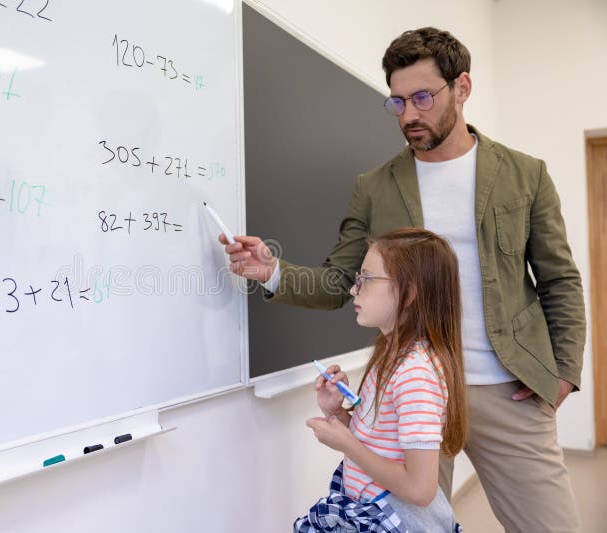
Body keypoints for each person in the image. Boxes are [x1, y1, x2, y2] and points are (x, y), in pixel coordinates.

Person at [222, 27, 585, 532]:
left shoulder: (526, 175)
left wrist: (564, 371)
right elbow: (337, 283)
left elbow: (560, 280)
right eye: (397, 102)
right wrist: (272, 271)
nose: (409, 115)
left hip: (509, 387)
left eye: (421, 98)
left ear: (462, 88)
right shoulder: (374, 187)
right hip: (409, 388)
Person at [294, 229, 466, 533]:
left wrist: (346, 444)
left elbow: (420, 489)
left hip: (393, 520)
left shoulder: (415, 373)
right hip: (372, 512)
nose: (353, 290)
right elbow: (379, 442)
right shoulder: (390, 355)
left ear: (410, 293)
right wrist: (338, 414)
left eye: (367, 279)